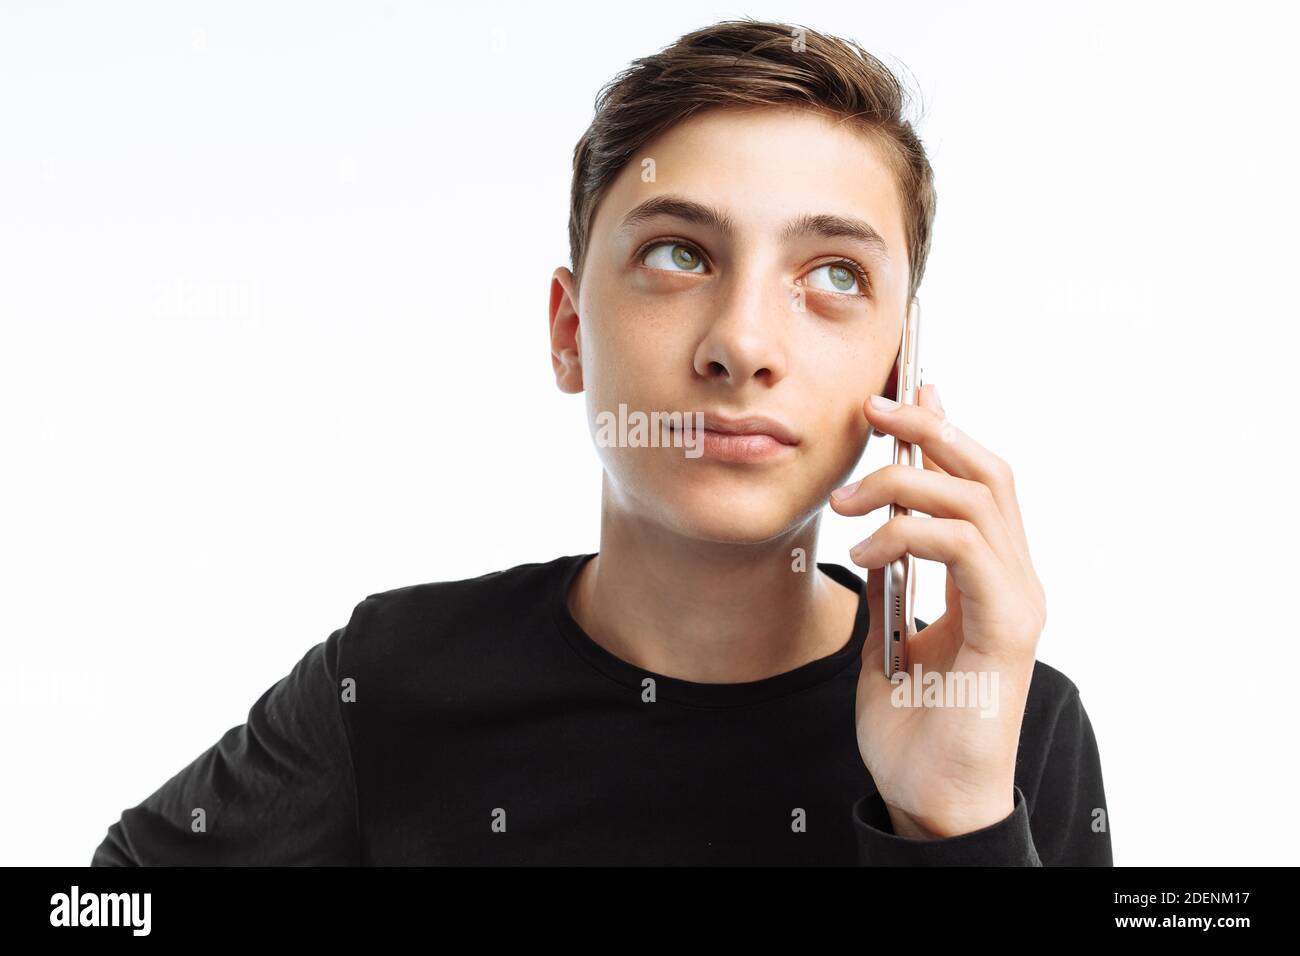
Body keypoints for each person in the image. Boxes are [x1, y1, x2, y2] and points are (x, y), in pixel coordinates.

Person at [92, 18, 1111, 866]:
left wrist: (954, 817)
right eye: (679, 253)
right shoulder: (396, 677)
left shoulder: (1010, 715)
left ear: (898, 360)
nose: (742, 343)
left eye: (835, 274)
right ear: (570, 330)